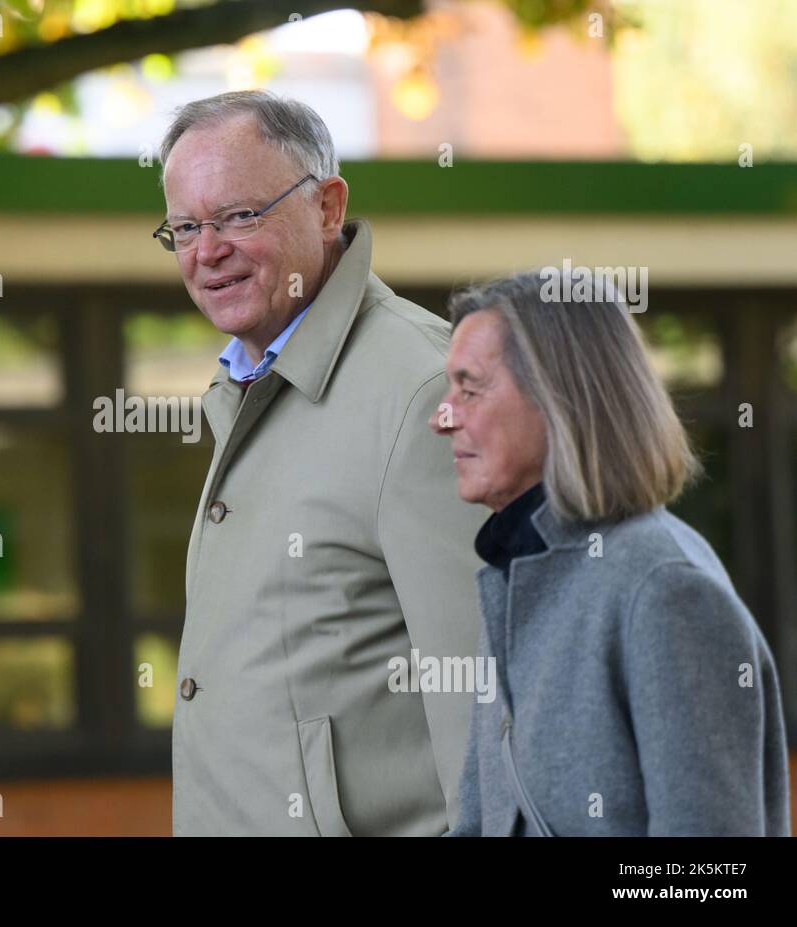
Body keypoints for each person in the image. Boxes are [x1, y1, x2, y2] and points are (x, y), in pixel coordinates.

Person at [158, 90, 487, 836]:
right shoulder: (243, 378)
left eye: (240, 216)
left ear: (328, 207)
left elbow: (485, 710)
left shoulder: (423, 389)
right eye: (185, 227)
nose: (207, 250)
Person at [430, 270, 790, 836]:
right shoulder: (520, 576)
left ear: (561, 396)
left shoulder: (666, 588)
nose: (441, 418)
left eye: (469, 388)